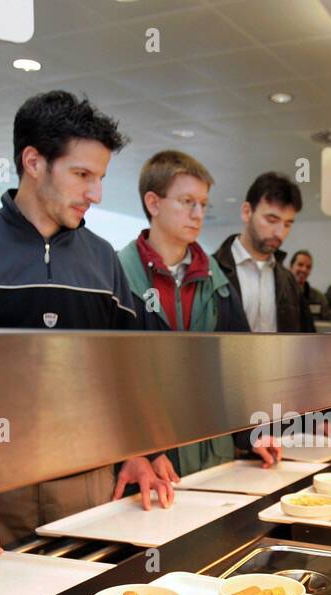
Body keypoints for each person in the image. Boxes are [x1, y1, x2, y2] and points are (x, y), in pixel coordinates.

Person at [0, 92, 179, 529]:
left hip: (87, 482)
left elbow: (124, 368)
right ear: (33, 162)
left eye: (100, 176)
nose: (96, 192)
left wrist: (135, 450)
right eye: (82, 174)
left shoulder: (103, 259)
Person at [119, 150, 284, 475]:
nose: (198, 214)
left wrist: (253, 431)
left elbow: (240, 366)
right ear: (153, 203)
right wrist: (144, 452)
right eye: (187, 202)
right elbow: (112, 381)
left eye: (203, 204)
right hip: (148, 465)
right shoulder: (118, 275)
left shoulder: (218, 281)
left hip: (213, 456)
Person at [212, 172, 313, 334]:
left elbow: (305, 338)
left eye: (287, 224)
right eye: (271, 220)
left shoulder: (289, 281)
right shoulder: (211, 273)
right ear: (247, 212)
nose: (279, 233)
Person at [289, 249, 331, 326]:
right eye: (300, 265)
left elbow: (327, 326)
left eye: (308, 267)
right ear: (291, 266)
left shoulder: (319, 298)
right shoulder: (280, 294)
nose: (304, 269)